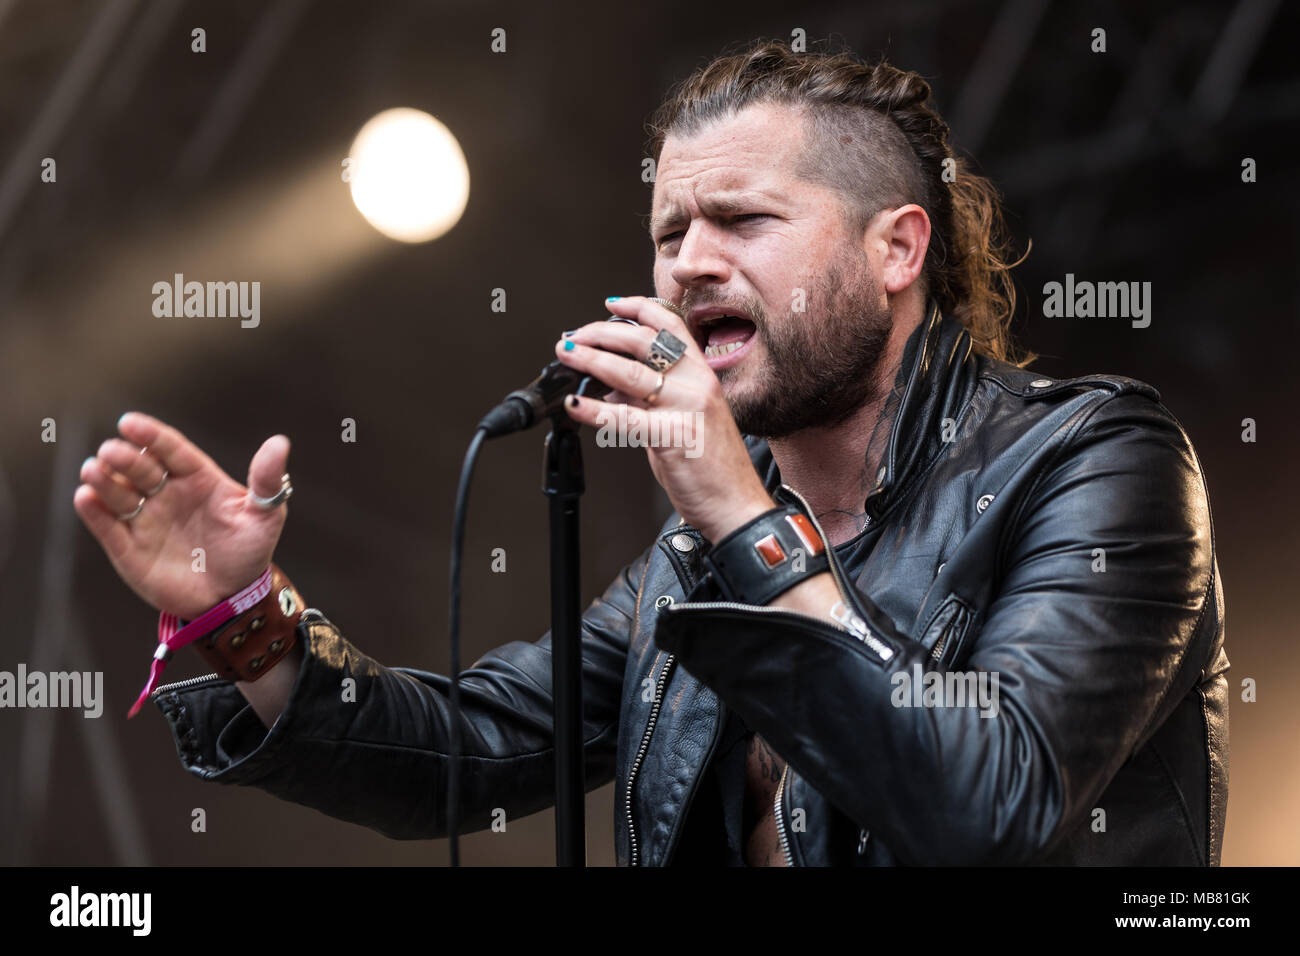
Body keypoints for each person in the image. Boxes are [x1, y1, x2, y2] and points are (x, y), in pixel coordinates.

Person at [73, 39, 1228, 866]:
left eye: (744, 220)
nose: (688, 264)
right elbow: (465, 751)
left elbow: (990, 803)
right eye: (671, 231)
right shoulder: (691, 557)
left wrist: (739, 516)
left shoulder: (1092, 460)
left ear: (897, 248)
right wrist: (244, 614)